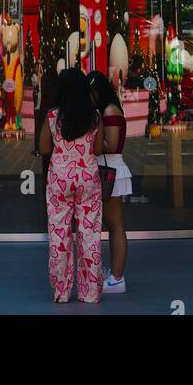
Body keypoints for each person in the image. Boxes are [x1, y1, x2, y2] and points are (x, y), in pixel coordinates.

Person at [38, 67, 103, 304]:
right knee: (89, 234)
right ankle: (89, 293)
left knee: (59, 233)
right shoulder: (95, 116)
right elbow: (97, 150)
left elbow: (44, 148)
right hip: (87, 177)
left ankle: (61, 291)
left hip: (60, 179)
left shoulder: (53, 116)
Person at [88, 71, 132, 294]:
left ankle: (117, 277)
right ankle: (115, 275)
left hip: (110, 169)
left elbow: (112, 144)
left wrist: (91, 136)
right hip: (109, 168)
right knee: (113, 225)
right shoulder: (109, 109)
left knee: (115, 226)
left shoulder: (109, 110)